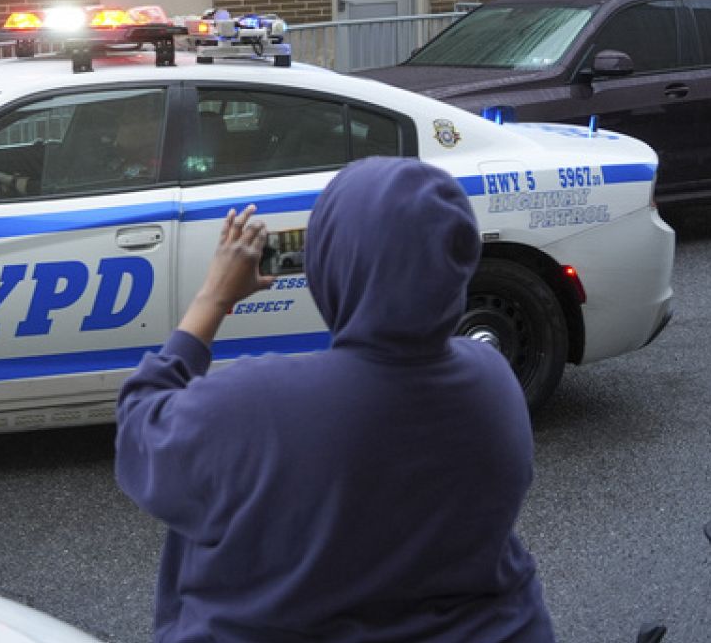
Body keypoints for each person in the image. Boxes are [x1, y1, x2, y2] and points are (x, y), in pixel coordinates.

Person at [115, 158, 554, 643]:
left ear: (332, 264)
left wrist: (213, 298)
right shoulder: (493, 378)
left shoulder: (259, 404)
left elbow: (139, 432)